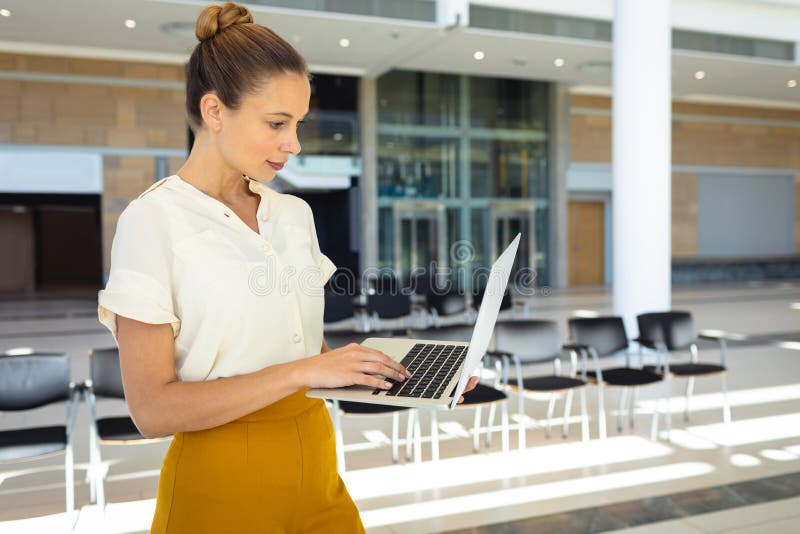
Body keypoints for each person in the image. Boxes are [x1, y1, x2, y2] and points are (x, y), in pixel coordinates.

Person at [98, 3, 477, 532]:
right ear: (214, 112)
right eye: (276, 123)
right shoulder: (152, 221)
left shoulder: (292, 213)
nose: (293, 144)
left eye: (297, 123)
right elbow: (152, 411)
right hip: (222, 480)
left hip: (316, 457)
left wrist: (407, 376)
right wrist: (306, 372)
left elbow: (307, 352)